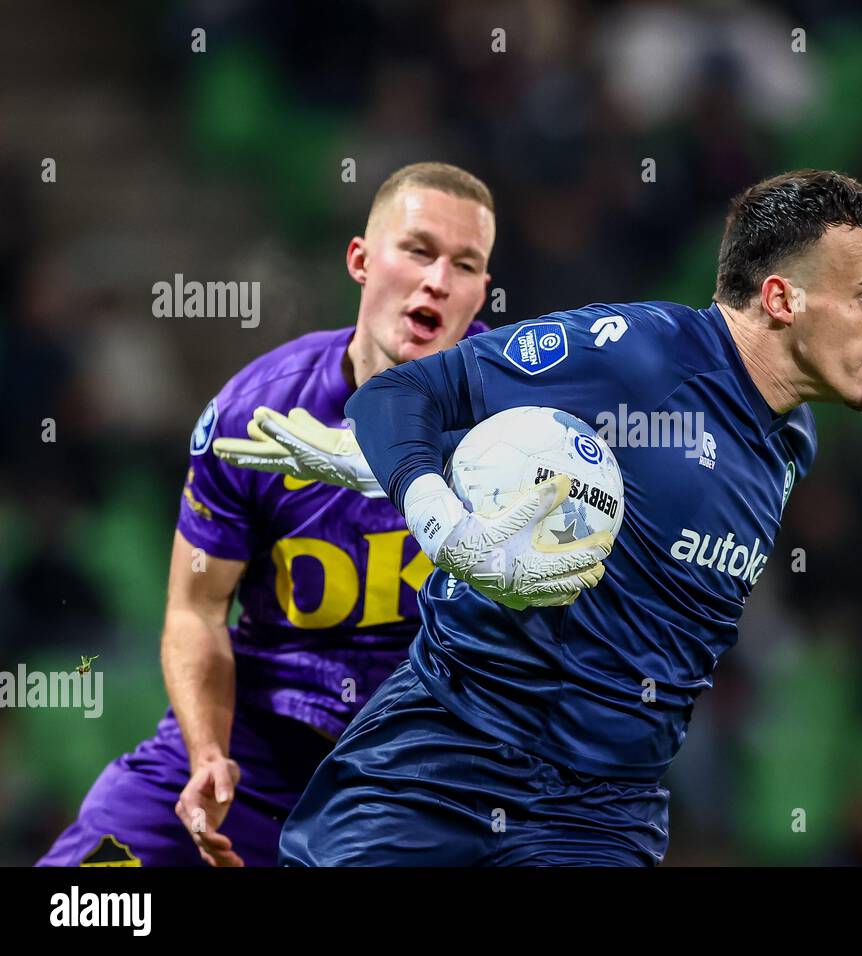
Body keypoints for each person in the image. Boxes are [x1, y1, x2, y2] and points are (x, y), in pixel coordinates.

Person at [259, 168, 862, 866]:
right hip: (445, 756)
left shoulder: (791, 439)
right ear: (782, 297)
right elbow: (398, 395)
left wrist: (456, 461)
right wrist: (436, 510)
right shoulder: (636, 354)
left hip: (601, 814)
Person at [37, 162, 515, 867]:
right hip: (257, 750)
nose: (438, 280)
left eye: (465, 264)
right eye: (418, 250)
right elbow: (195, 609)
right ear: (360, 259)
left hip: (421, 781)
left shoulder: (517, 428)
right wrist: (206, 755)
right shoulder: (257, 415)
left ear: (481, 294)